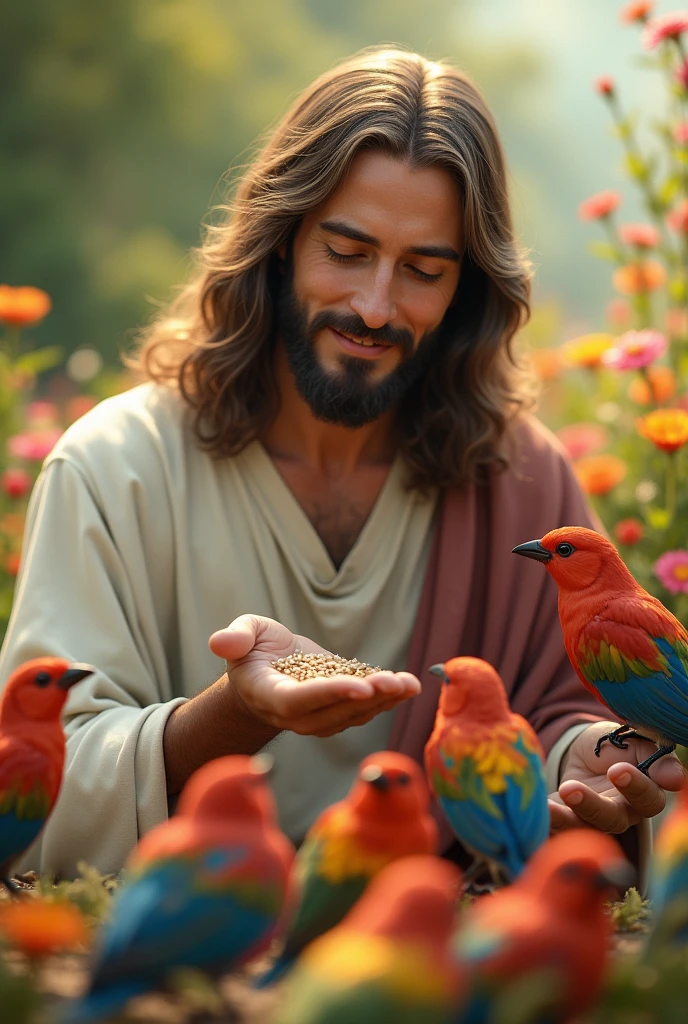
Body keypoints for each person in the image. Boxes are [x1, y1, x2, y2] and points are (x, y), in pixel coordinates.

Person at [1, 47, 683, 881]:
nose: (374, 306)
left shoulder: (522, 485)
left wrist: (585, 762)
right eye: (348, 252)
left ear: (466, 291)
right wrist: (233, 715)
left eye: (423, 271)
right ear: (281, 239)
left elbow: (559, 717)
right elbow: (38, 778)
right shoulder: (112, 471)